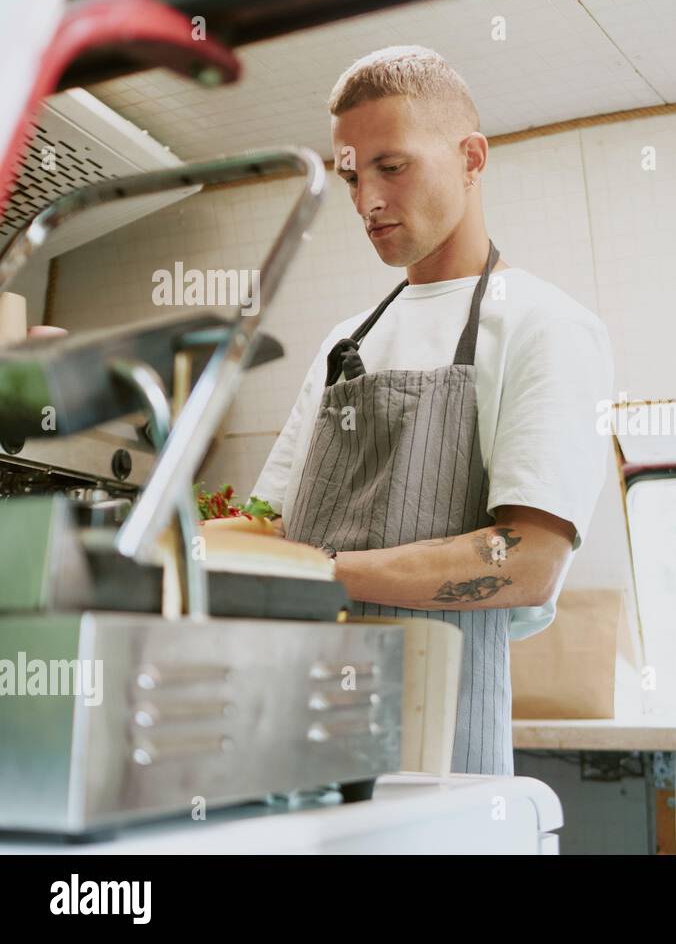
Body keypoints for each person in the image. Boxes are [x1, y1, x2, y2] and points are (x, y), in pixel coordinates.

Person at [253, 46, 614, 776]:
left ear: (472, 158)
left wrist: (320, 571)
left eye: (393, 166)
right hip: (303, 745)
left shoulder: (546, 325)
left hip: (445, 758)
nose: (367, 201)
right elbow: (270, 528)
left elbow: (528, 561)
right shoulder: (345, 339)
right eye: (351, 176)